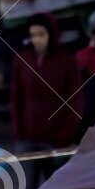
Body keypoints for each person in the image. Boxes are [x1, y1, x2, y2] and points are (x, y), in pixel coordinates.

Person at [10, 14, 81, 157]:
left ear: (51, 34)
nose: (37, 40)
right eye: (33, 35)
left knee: (56, 178)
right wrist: (19, 133)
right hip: (27, 139)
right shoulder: (22, 60)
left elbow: (76, 100)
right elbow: (16, 98)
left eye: (41, 34)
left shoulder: (66, 61)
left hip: (57, 140)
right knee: (27, 178)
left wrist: (65, 135)